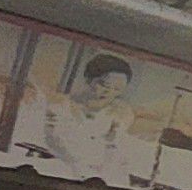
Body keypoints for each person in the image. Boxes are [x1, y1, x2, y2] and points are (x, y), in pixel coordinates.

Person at [37, 52, 136, 182]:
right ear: (88, 78)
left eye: (117, 89)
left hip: (102, 176)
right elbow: (52, 142)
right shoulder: (60, 105)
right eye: (104, 85)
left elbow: (115, 153)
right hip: (59, 170)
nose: (109, 92)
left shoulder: (121, 113)